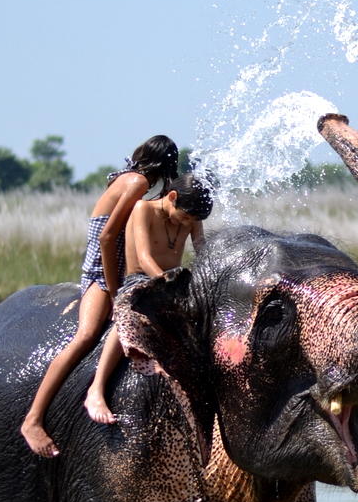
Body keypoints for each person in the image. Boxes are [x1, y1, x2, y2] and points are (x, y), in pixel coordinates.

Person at [19, 135, 179, 457]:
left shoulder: (129, 180)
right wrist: (114, 289)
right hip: (100, 270)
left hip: (113, 268)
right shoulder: (135, 182)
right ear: (164, 167)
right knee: (87, 335)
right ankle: (32, 420)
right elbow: (107, 238)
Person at [84, 173, 214, 425]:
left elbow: (202, 252)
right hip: (141, 280)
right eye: (185, 217)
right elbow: (144, 257)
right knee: (129, 314)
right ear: (172, 196)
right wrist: (165, 284)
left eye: (192, 221)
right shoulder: (143, 209)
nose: (187, 223)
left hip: (173, 280)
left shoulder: (193, 219)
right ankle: (96, 388)